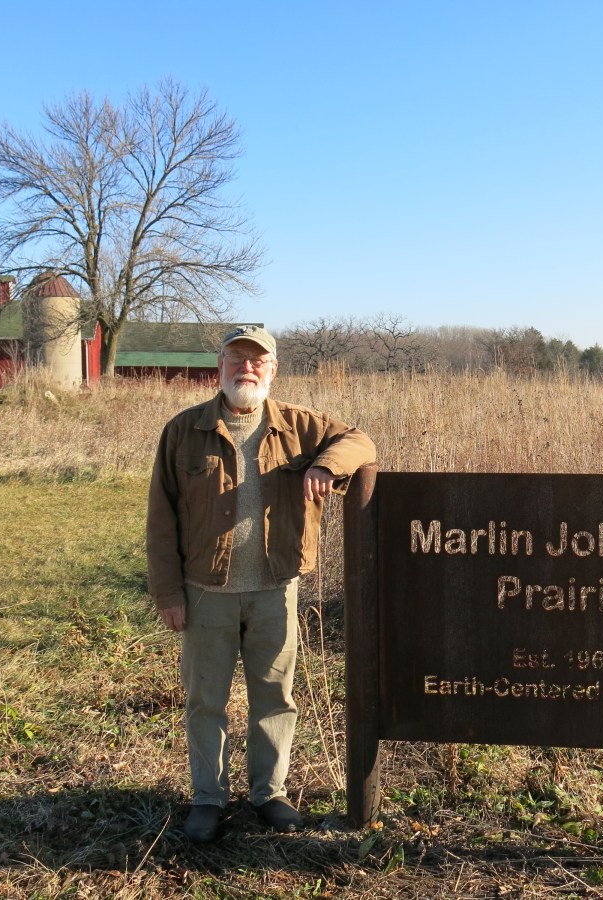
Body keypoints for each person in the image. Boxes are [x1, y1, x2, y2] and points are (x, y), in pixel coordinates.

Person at [146, 324, 375, 842]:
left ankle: (268, 793)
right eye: (237, 359)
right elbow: (161, 520)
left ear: (273, 370)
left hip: (276, 589)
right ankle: (208, 798)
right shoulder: (183, 431)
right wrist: (168, 594)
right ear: (219, 368)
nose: (247, 368)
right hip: (205, 592)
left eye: (258, 361)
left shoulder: (299, 426)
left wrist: (326, 464)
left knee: (275, 695)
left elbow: (360, 440)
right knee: (206, 700)